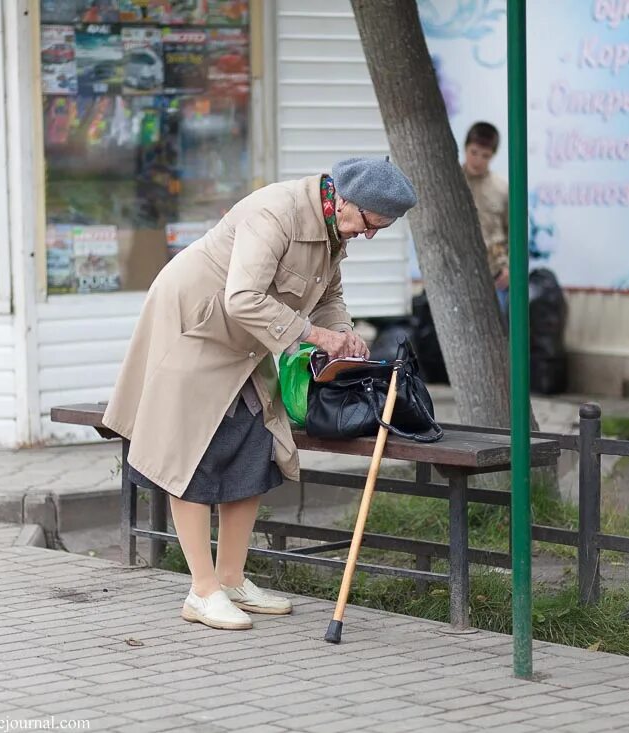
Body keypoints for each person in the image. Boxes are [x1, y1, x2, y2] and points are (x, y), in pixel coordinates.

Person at [103, 157, 418, 631]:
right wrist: (315, 335)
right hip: (197, 326)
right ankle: (202, 591)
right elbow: (242, 297)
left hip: (248, 342)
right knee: (190, 454)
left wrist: (344, 334)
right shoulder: (277, 213)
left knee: (255, 444)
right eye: (371, 224)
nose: (369, 235)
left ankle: (230, 579)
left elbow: (328, 296)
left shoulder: (335, 229)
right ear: (348, 200)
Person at [462, 121, 510, 320]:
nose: (478, 160)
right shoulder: (450, 182)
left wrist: (510, 269)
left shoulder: (502, 188)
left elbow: (515, 232)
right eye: (473, 152)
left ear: (493, 156)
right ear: (465, 148)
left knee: (496, 332)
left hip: (494, 275)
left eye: (485, 156)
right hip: (459, 275)